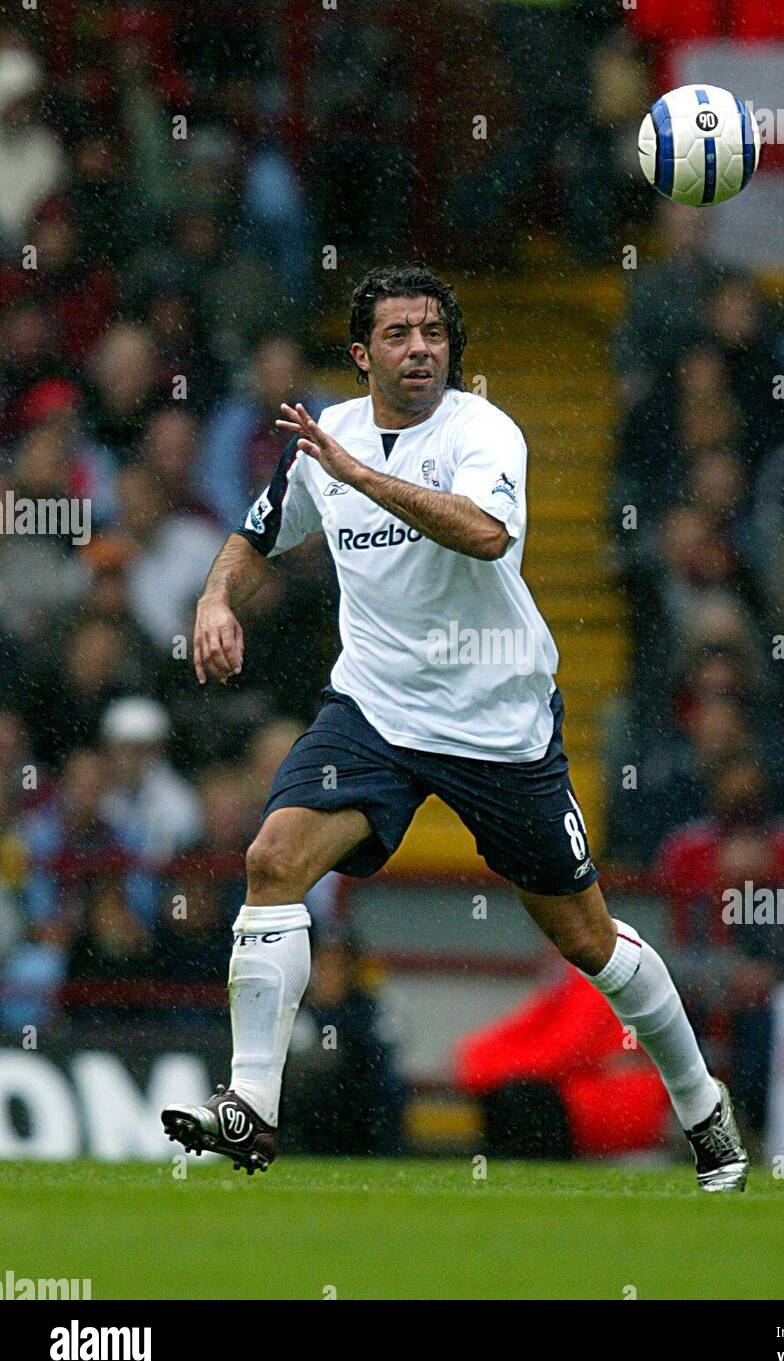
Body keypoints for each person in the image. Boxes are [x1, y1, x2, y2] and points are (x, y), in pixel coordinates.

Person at [162, 267, 748, 1191]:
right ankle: (251, 1110)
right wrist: (213, 599)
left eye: (433, 332)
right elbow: (254, 533)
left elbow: (483, 534)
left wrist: (357, 475)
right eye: (397, 334)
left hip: (496, 721)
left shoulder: (481, 430)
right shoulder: (328, 438)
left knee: (588, 939)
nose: (420, 348)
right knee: (273, 859)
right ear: (362, 355)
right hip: (376, 712)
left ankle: (702, 1106)